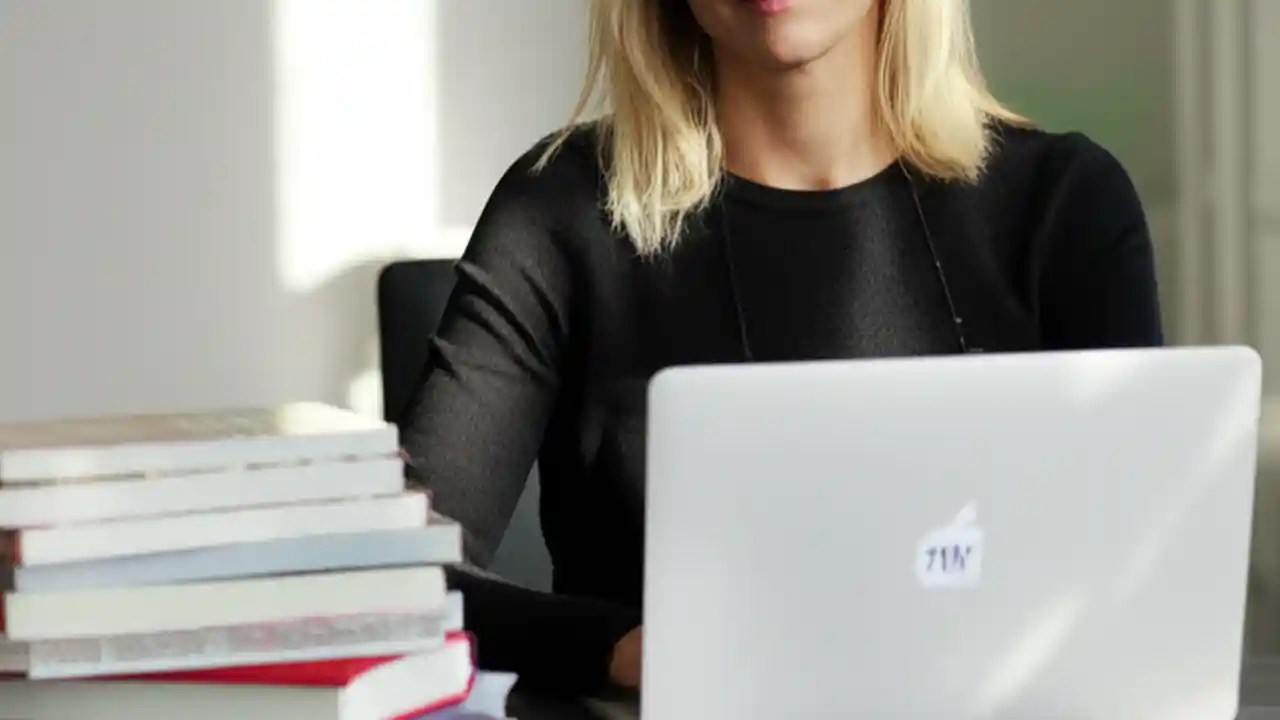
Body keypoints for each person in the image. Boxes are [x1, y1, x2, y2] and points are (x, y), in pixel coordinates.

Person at [401, 0, 1162, 698]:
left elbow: (1141, 579)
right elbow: (390, 581)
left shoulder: (1066, 208)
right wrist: (623, 649)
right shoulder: (560, 213)